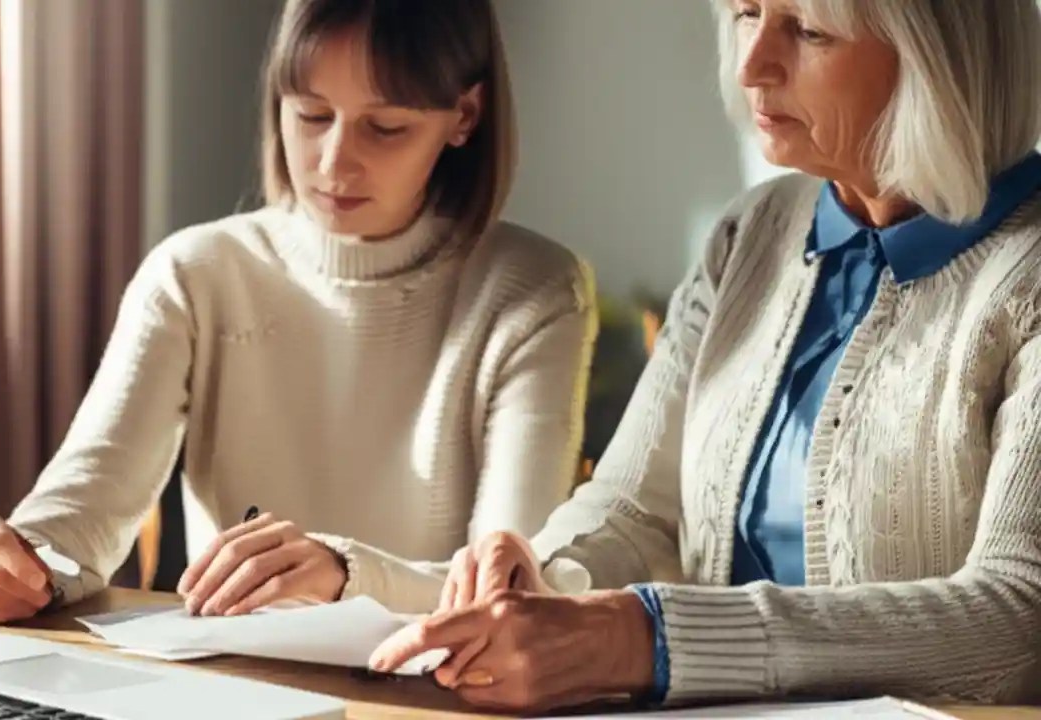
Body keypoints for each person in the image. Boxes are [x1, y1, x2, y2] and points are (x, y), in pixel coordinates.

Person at [371, 0, 1041, 712]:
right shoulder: (750, 234)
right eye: (747, 15)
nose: (753, 65)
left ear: (941, 57)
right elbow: (636, 508)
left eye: (809, 32)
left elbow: (1018, 616)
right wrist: (544, 580)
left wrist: (645, 639)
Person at [0, 0, 597, 624]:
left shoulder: (534, 290)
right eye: (311, 115)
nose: (335, 162)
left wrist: (344, 574)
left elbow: (513, 590)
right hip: (233, 688)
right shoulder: (195, 273)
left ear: (465, 116)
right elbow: (78, 519)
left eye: (386, 126)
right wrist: (4, 564)